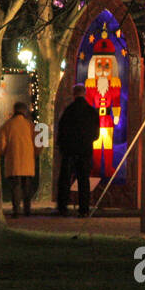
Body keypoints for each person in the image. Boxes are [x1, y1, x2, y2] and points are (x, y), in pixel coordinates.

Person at [56, 85, 99, 217]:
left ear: (73, 94)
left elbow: (61, 131)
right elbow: (96, 134)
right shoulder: (91, 112)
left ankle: (63, 208)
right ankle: (84, 209)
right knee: (83, 180)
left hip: (69, 150)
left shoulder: (68, 111)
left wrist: (62, 146)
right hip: (85, 150)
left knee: (65, 179)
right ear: (84, 94)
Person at [0, 101, 37, 218]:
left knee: (16, 186)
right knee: (27, 187)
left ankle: (16, 210)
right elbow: (37, 143)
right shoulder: (30, 125)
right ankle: (27, 210)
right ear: (25, 111)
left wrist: (3, 153)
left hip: (13, 160)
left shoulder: (7, 125)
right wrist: (34, 154)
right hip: (27, 161)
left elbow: (2, 145)